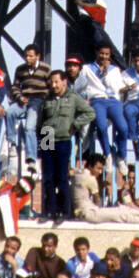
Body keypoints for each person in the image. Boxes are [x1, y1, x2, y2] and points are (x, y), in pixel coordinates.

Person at [38, 70, 95, 222]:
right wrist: (41, 142)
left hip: (63, 138)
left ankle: (63, 211)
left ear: (64, 82)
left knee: (62, 176)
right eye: (52, 82)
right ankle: (48, 211)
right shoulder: (47, 98)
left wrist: (75, 125)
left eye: (57, 82)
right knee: (48, 177)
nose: (54, 85)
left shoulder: (73, 98)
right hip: (47, 135)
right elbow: (41, 120)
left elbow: (90, 113)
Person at [76, 45, 130, 176]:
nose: (104, 57)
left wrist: (107, 75)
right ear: (97, 53)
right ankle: (107, 154)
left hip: (113, 100)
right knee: (101, 126)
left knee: (123, 127)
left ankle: (121, 156)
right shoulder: (87, 69)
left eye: (107, 54)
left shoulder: (114, 70)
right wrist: (84, 98)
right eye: (102, 54)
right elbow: (79, 87)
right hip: (97, 100)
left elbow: (117, 87)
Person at [5, 43, 51, 170]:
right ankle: (12, 143)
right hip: (24, 100)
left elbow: (50, 87)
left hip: (38, 101)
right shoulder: (20, 69)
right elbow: (15, 86)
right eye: (26, 56)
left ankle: (31, 157)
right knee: (10, 112)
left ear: (38, 56)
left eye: (31, 56)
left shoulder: (46, 69)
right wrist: (20, 97)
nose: (28, 59)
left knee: (29, 126)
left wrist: (44, 101)